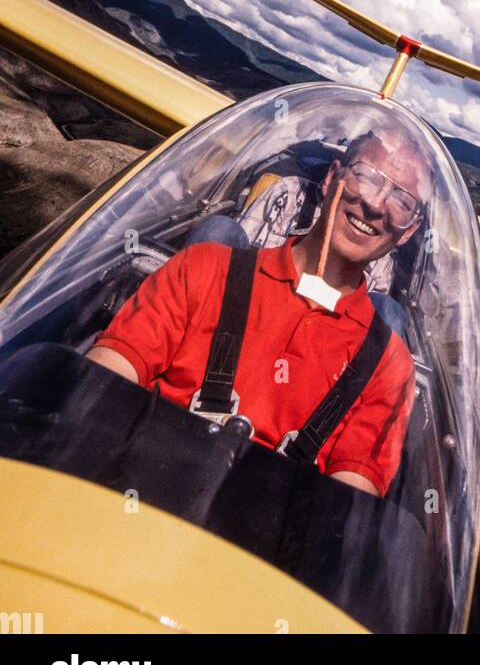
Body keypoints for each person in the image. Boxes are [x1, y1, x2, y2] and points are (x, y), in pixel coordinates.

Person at [86, 125, 431, 497]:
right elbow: (99, 385)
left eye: (402, 200)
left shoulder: (388, 366)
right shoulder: (203, 268)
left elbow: (346, 509)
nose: (376, 205)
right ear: (331, 179)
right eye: (366, 176)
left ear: (408, 231)